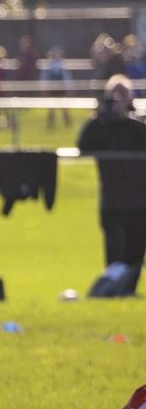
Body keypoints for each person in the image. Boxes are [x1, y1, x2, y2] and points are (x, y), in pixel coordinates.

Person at [77, 75, 146, 298]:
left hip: (139, 201)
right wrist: (98, 117)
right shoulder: (100, 129)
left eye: (122, 95)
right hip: (113, 201)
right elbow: (82, 144)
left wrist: (125, 115)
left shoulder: (137, 126)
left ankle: (128, 290)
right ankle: (112, 290)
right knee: (115, 253)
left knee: (135, 252)